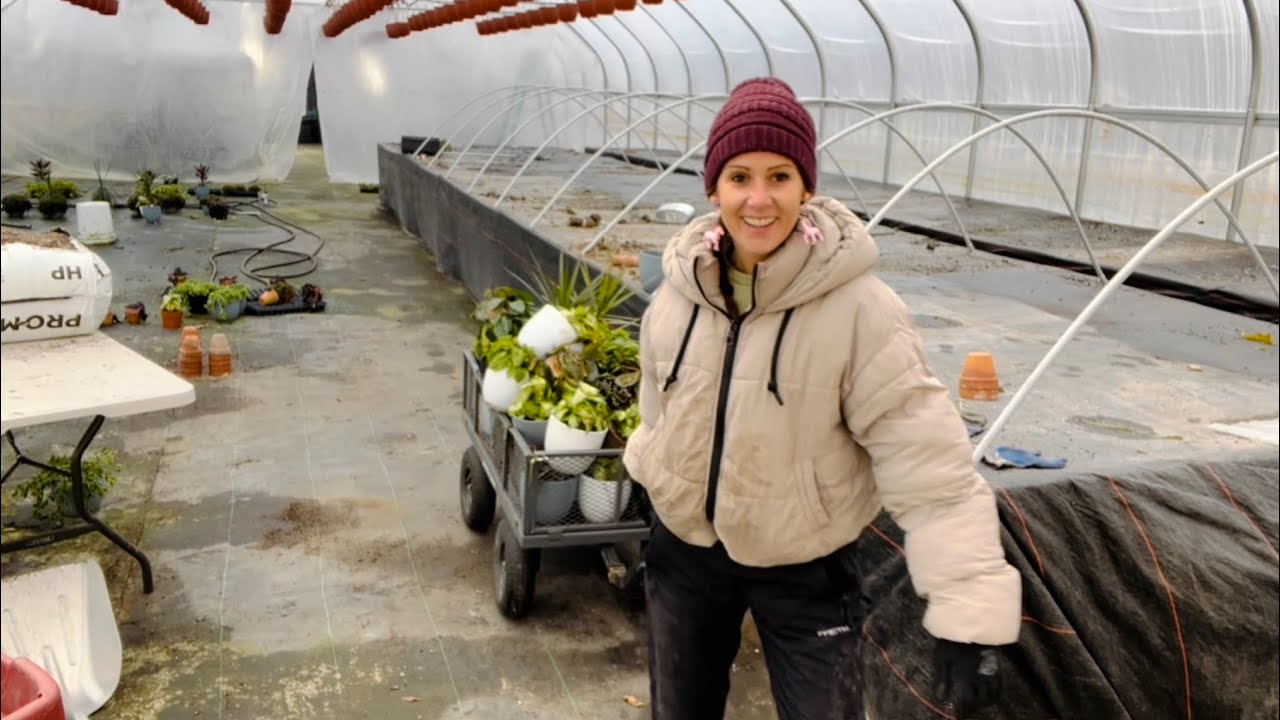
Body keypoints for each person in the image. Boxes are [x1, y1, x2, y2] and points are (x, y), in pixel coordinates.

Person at [622, 77, 1021, 720]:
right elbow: (658, 406)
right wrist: (651, 474)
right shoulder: (678, 294)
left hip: (804, 565)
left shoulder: (861, 310)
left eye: (779, 176)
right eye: (739, 176)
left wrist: (968, 610)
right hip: (686, 557)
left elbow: (930, 466)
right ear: (712, 187)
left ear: (807, 188)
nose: (758, 199)